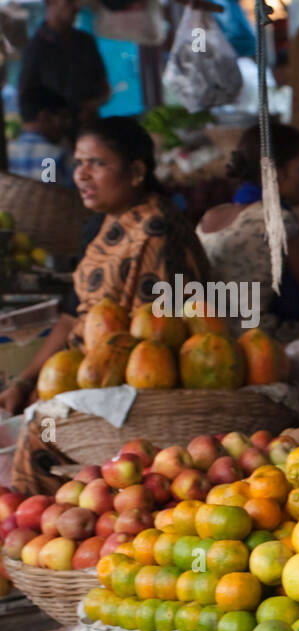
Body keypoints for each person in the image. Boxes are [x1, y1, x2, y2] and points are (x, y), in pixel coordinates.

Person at [1, 118, 208, 432]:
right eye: (80, 163)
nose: (82, 174)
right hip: (80, 373)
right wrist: (24, 381)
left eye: (97, 163)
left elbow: (152, 342)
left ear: (137, 172)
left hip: (127, 394)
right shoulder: (98, 226)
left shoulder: (155, 231)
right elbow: (73, 317)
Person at [197, 124, 299, 337]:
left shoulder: (209, 219)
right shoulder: (279, 219)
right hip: (266, 347)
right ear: (278, 174)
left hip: (214, 344)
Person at [17, 0, 109, 126]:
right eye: (69, 2)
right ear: (50, 2)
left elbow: (104, 87)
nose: (76, 8)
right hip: (57, 133)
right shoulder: (35, 49)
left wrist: (92, 106)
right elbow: (26, 101)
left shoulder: (86, 42)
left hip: (89, 127)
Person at [9, 85, 72, 187]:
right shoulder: (59, 154)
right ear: (45, 117)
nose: (67, 124)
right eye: (63, 117)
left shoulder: (7, 152)